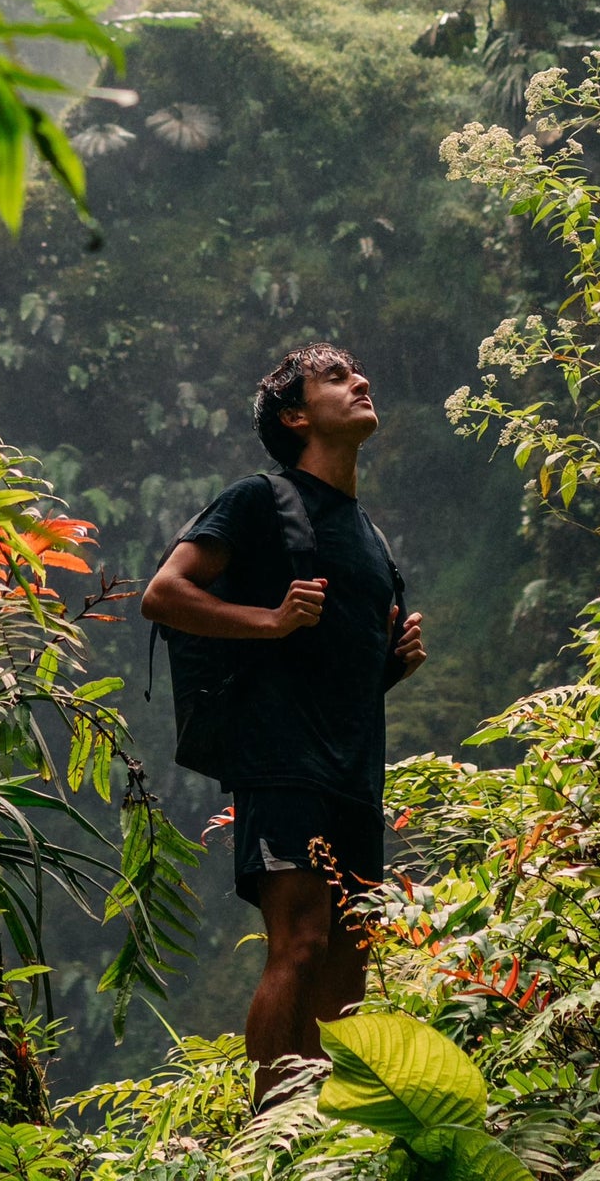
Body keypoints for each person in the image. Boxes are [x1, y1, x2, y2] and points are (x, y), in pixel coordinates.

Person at [139, 344, 427, 1095]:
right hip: (280, 761)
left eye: (359, 372)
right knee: (299, 943)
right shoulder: (259, 500)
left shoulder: (371, 538)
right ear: (296, 415)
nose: (361, 380)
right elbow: (163, 594)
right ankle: (266, 1135)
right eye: (336, 377)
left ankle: (320, 1141)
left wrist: (393, 662)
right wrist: (269, 620)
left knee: (348, 961)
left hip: (355, 772)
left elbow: (341, 672)